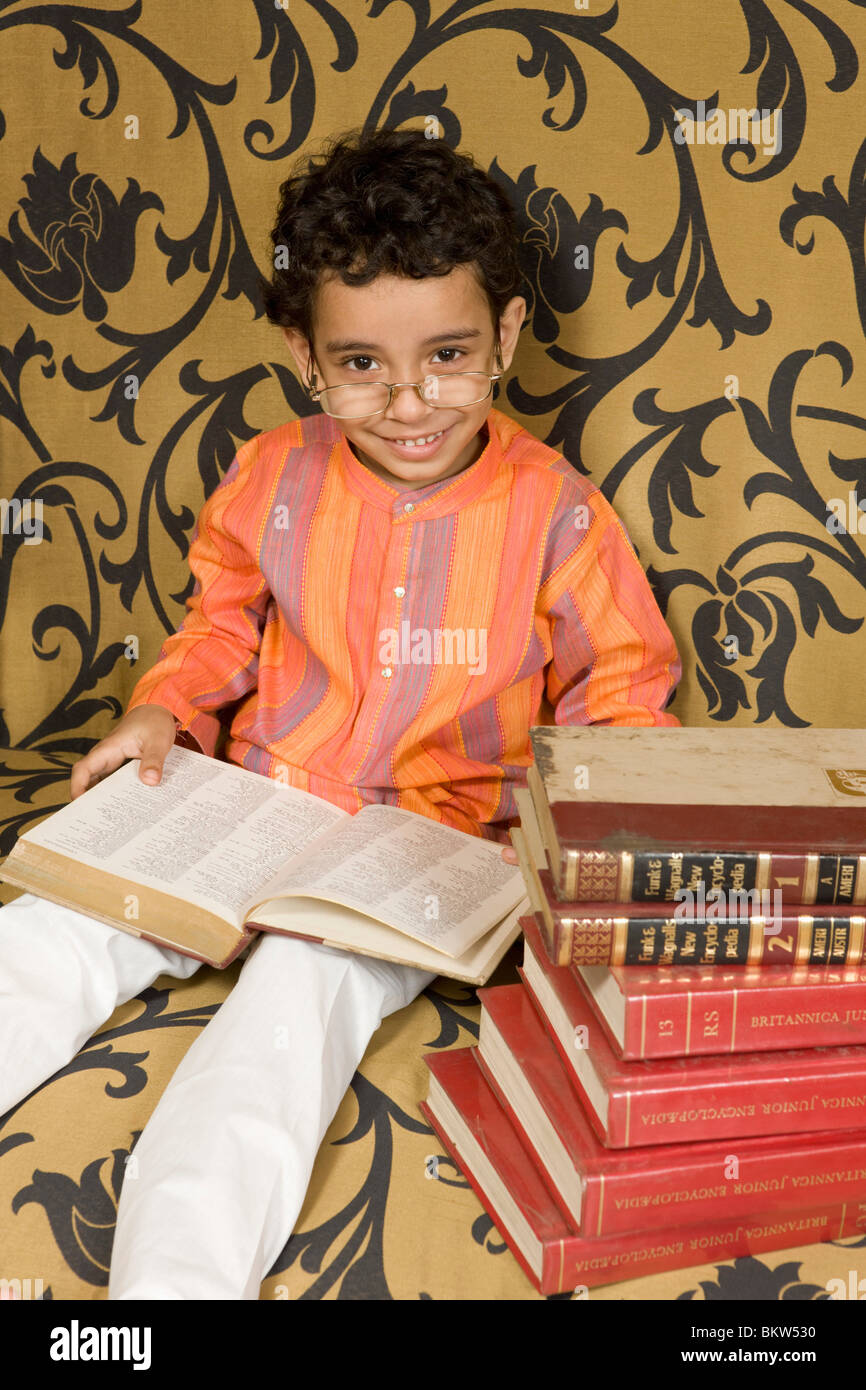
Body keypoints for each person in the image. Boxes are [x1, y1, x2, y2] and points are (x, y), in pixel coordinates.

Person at [0, 127, 681, 1300]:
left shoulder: (561, 515)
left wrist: (596, 841)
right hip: (248, 803)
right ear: (303, 356)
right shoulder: (268, 474)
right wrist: (163, 713)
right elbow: (214, 631)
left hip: (421, 850)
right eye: (360, 363)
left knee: (281, 1026)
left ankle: (170, 1297)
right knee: (49, 933)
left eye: (449, 357)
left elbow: (621, 696)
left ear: (507, 336)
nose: (409, 401)